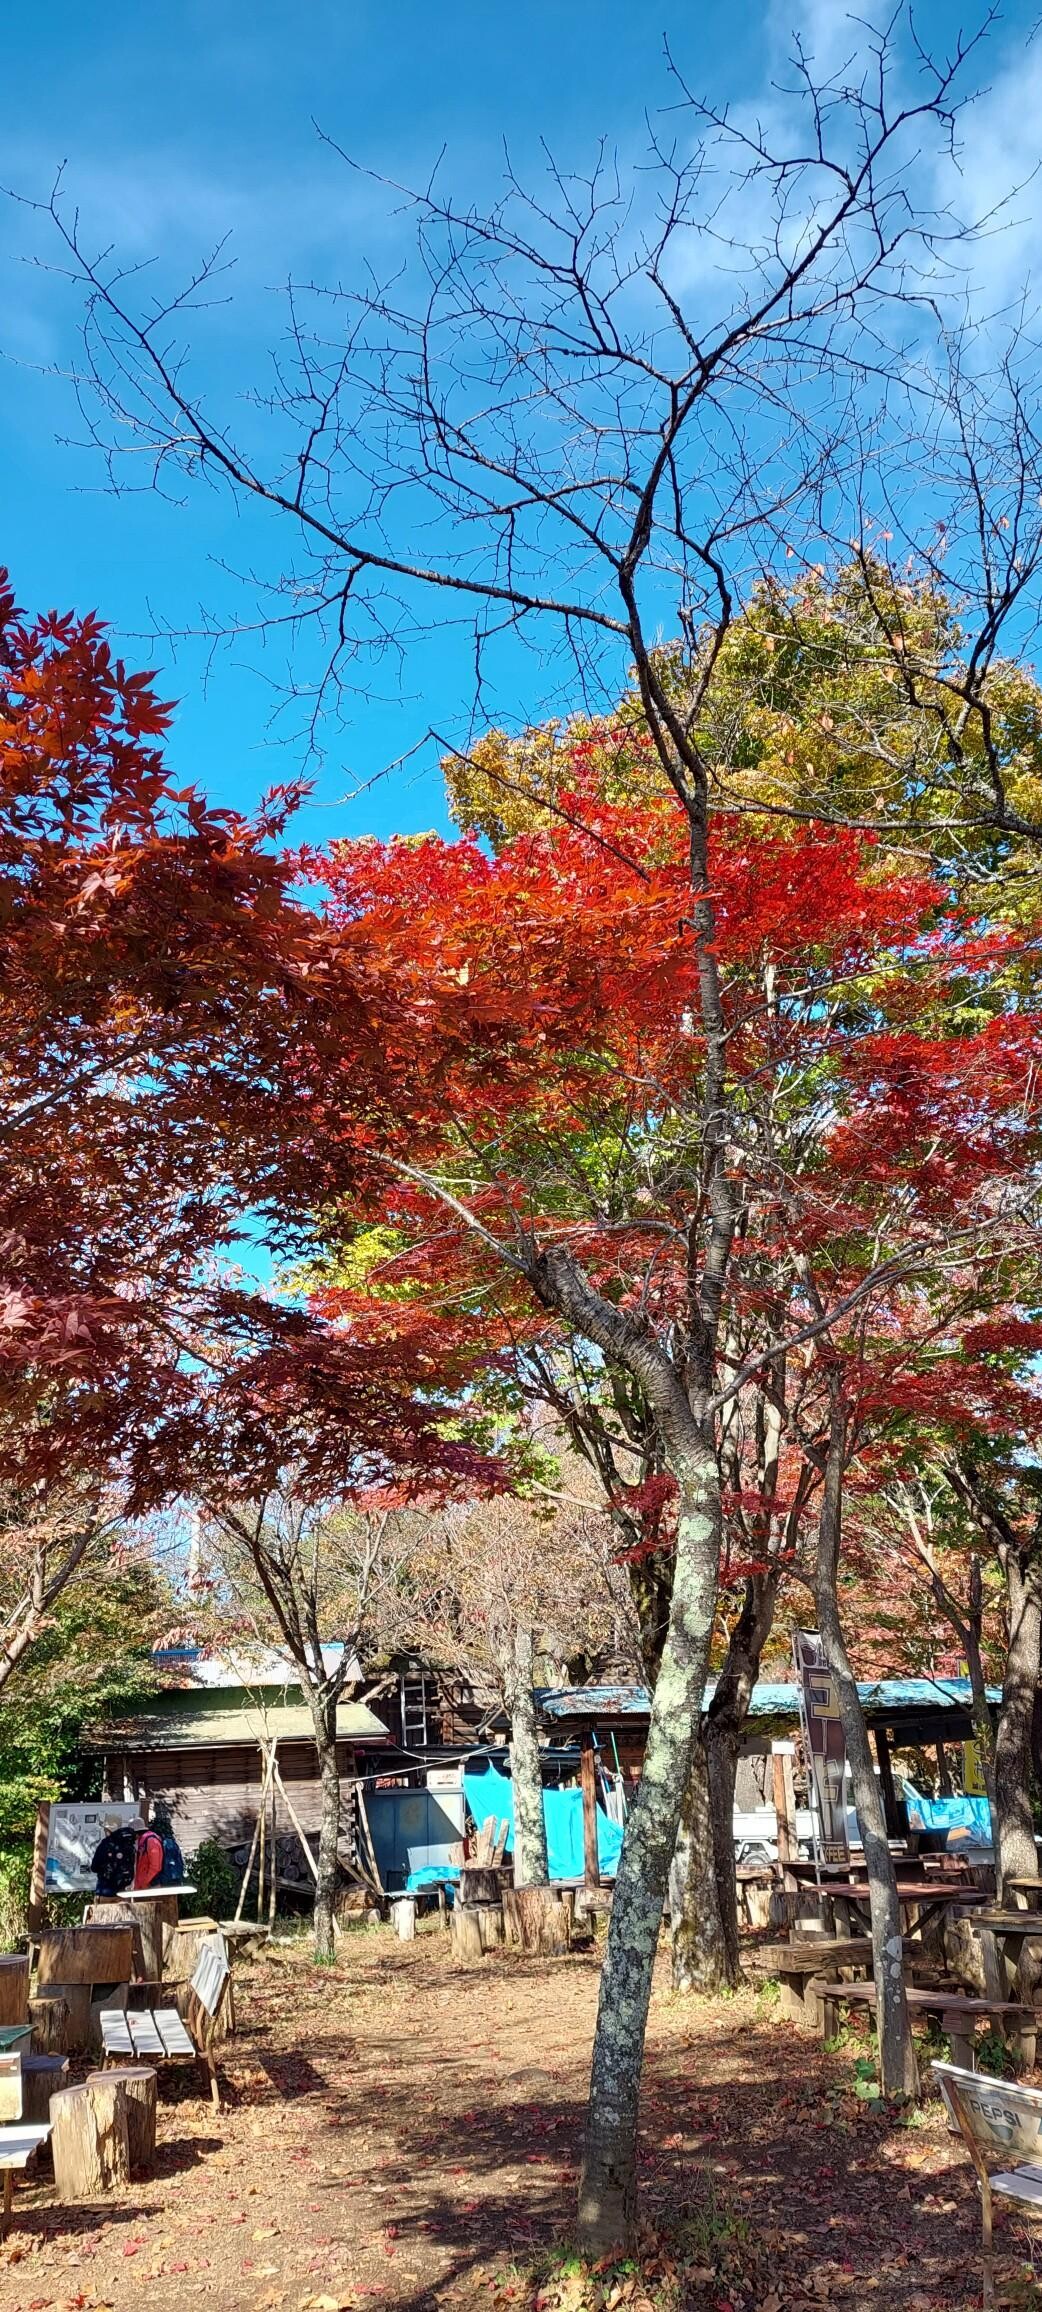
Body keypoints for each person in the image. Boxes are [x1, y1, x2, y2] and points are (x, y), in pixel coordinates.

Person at [90, 1814, 136, 1897]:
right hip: (125, 1887)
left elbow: (94, 1867)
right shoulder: (129, 1845)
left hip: (106, 1887)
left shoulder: (106, 1844)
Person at [151, 1803, 186, 1887]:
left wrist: (157, 1881)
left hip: (166, 1879)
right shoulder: (172, 1843)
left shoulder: (161, 1843)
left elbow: (161, 1863)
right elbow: (180, 1862)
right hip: (176, 1877)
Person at [132, 1814, 164, 1890]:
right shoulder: (142, 1841)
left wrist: (144, 1882)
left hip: (151, 1885)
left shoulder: (151, 1841)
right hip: (144, 1885)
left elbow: (155, 1867)